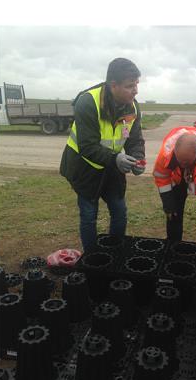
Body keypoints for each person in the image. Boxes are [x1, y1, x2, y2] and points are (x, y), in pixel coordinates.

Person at [60, 57, 145, 254]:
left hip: (112, 166)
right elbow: (87, 146)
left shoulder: (132, 106)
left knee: (119, 211)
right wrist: (116, 158)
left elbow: (135, 139)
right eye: (129, 86)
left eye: (137, 84)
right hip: (84, 167)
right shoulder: (88, 102)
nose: (136, 91)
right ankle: (91, 258)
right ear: (113, 85)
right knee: (89, 215)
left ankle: (115, 253)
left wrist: (138, 158)